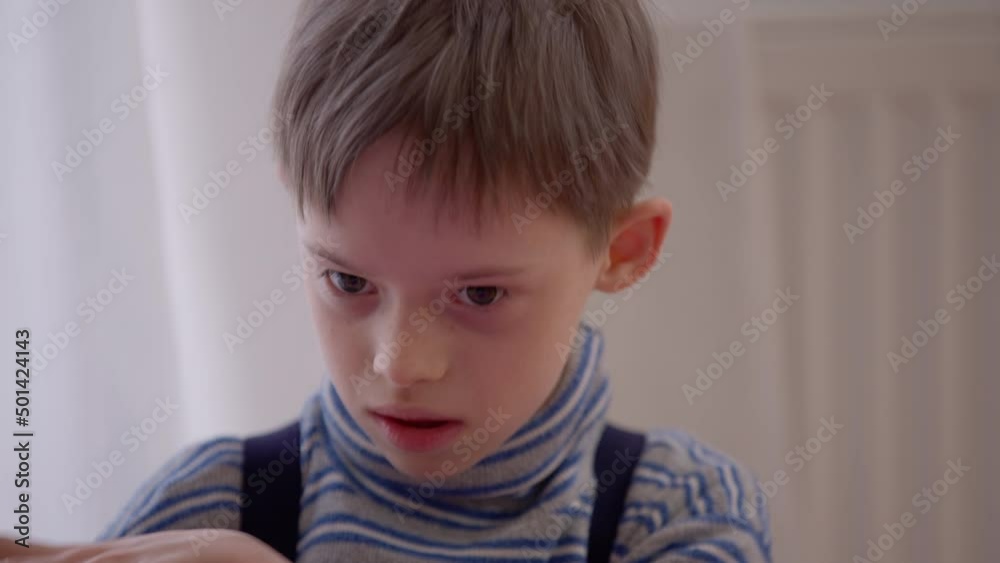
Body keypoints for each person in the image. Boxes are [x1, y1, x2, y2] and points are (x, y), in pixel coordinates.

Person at [13, 0, 772, 560]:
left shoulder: (681, 513)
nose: (400, 364)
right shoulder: (208, 507)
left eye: (479, 294)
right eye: (348, 282)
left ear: (622, 250)